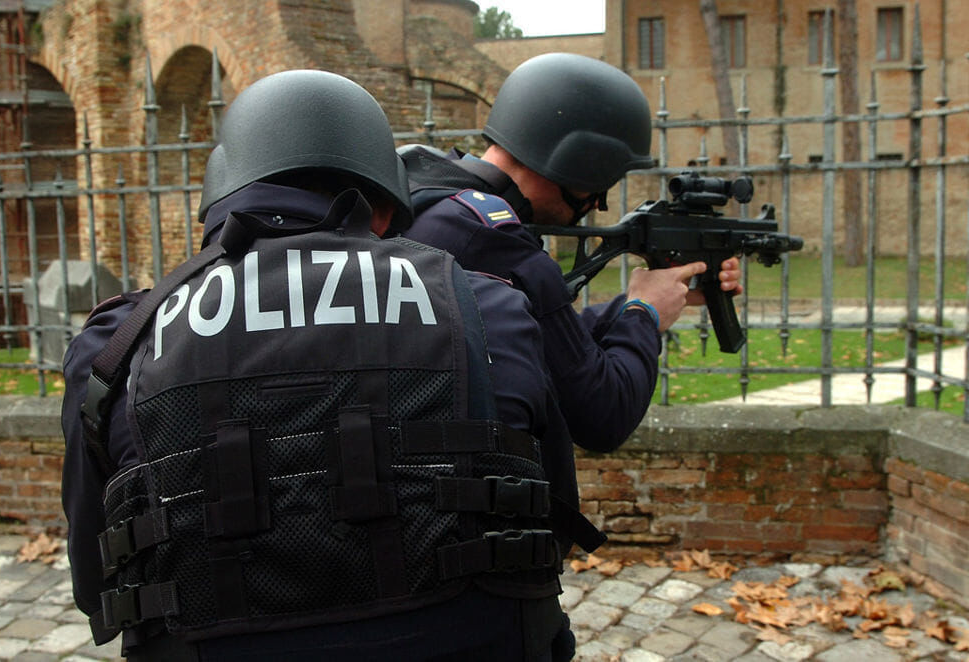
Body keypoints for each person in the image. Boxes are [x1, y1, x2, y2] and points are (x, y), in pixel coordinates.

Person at [62, 70, 587, 661]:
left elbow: (96, 579)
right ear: (384, 208)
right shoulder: (491, 308)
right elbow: (551, 523)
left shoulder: (116, 346)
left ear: (221, 199)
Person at [401, 52, 743, 453]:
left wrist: (633, 304)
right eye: (599, 185)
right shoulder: (502, 245)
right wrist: (644, 317)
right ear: (579, 164)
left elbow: (545, 339)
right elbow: (603, 415)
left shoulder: (421, 194)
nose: (596, 204)